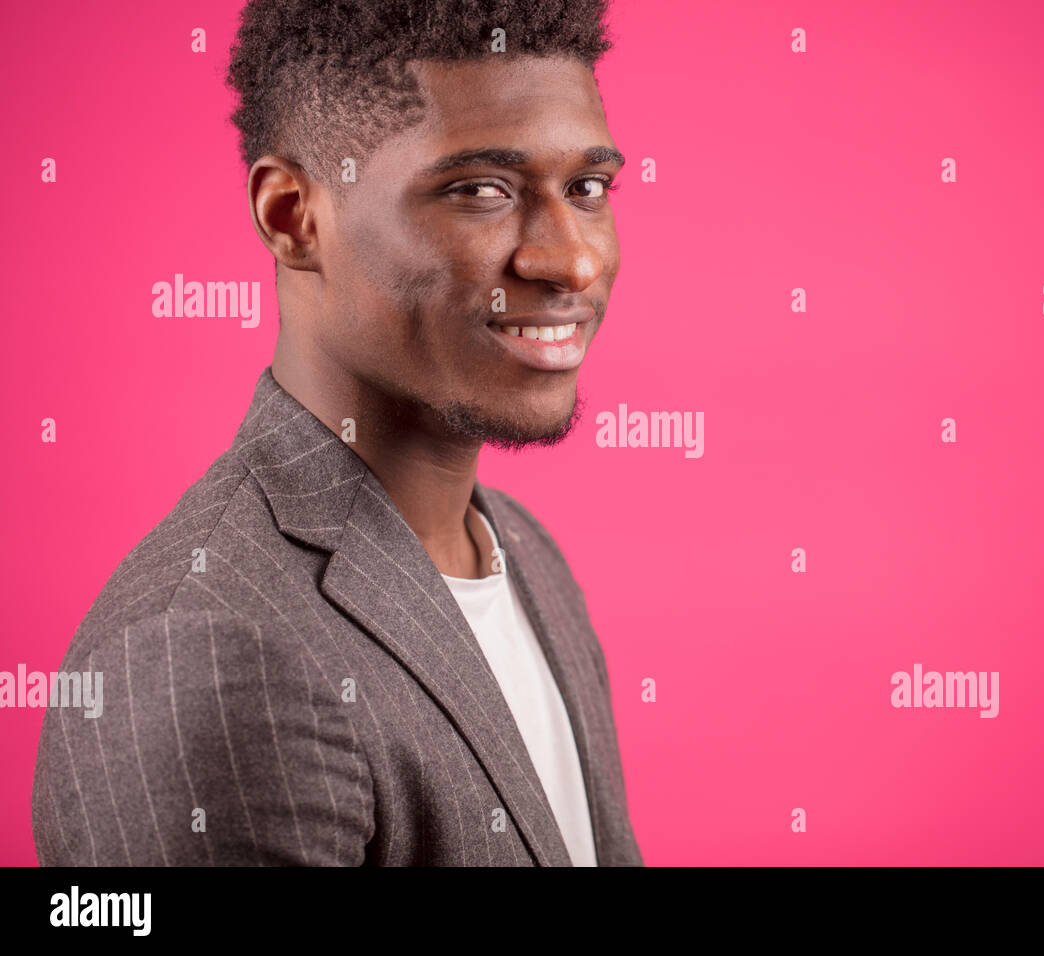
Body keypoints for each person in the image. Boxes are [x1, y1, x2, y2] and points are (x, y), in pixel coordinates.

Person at [31, 0, 641, 866]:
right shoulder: (202, 650)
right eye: (480, 191)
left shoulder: (529, 558)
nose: (573, 258)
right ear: (293, 217)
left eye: (587, 189)